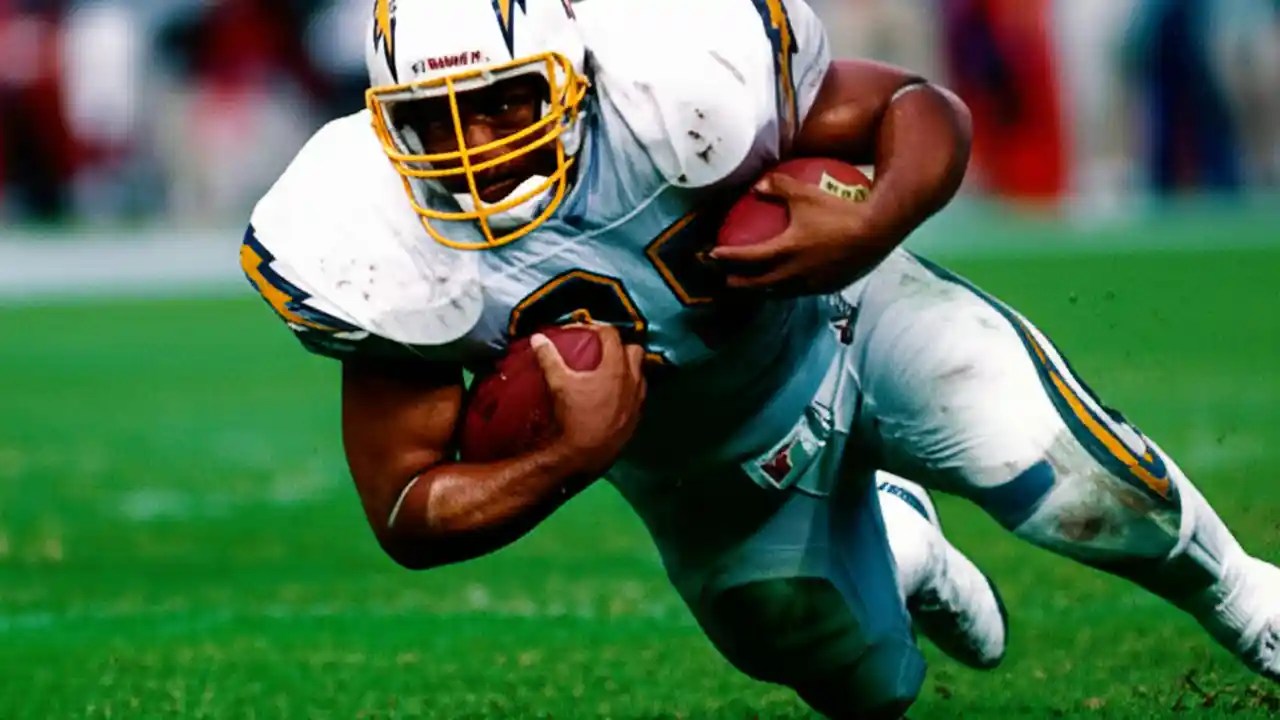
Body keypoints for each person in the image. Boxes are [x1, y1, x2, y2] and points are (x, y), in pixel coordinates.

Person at [241, 1, 1277, 717]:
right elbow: (404, 509)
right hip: (703, 467)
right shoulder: (372, 226)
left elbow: (914, 107)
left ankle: (1247, 603)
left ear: (572, 70)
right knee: (865, 686)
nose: (475, 143)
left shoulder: (673, 79)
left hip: (845, 320)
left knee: (1068, 482)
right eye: (434, 119)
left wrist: (872, 222)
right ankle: (901, 546)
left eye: (504, 100)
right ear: (385, 122)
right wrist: (563, 460)